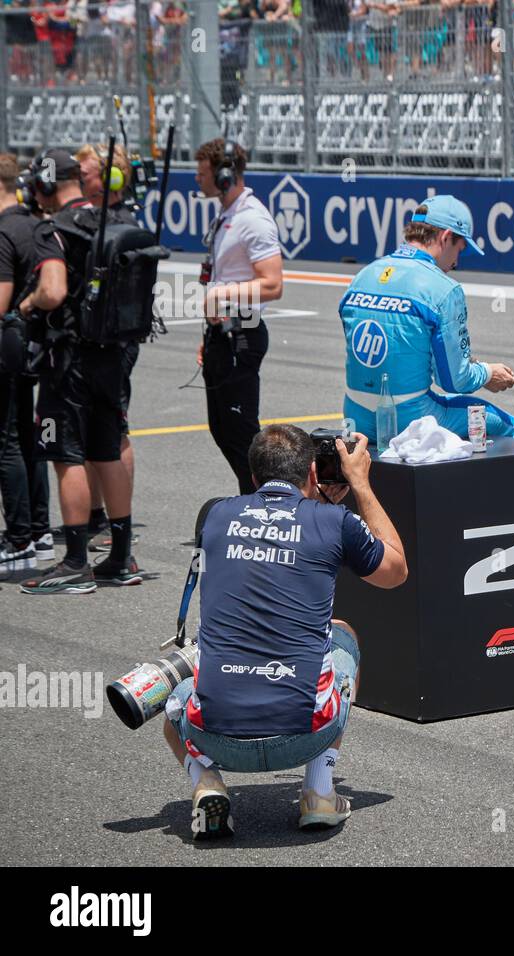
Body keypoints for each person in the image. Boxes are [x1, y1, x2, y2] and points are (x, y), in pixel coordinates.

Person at [162, 425, 407, 837]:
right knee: (342, 634)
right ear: (313, 471)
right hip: (305, 734)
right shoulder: (334, 521)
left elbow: (270, 532)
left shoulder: (214, 514)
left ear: (253, 475)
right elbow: (395, 571)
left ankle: (205, 784)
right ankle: (319, 793)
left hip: (214, 736)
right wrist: (360, 484)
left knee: (175, 696)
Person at [16, 148, 141, 594]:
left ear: (48, 183)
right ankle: (122, 558)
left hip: (66, 361)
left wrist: (27, 304)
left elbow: (52, 289)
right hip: (111, 356)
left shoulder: (55, 230)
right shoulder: (110, 220)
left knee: (64, 454)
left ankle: (74, 563)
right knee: (106, 448)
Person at [340, 195, 514, 445]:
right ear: (446, 237)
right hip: (410, 420)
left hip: (354, 417)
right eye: (460, 249)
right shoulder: (443, 288)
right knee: (508, 426)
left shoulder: (362, 276)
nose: (456, 262)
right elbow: (455, 381)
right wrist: (488, 373)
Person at [194, 138, 284, 495]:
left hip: (243, 333)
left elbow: (273, 285)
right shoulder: (227, 214)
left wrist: (222, 295)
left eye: (202, 174)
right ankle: (252, 500)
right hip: (223, 334)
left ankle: (270, 502)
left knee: (241, 431)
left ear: (225, 174)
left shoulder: (253, 219)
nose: (197, 180)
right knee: (223, 430)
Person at [75, 142, 140, 555]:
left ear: (111, 178)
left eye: (87, 172)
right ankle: (97, 513)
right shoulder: (90, 218)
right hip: (98, 338)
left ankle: (118, 521)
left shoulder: (121, 226)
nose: (81, 178)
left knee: (115, 430)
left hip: (114, 341)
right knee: (89, 430)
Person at [0, 153, 55, 573]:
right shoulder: (35, 223)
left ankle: (18, 539)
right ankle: (38, 534)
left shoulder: (3, 230)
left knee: (6, 444)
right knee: (27, 438)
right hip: (34, 343)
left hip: (8, 339)